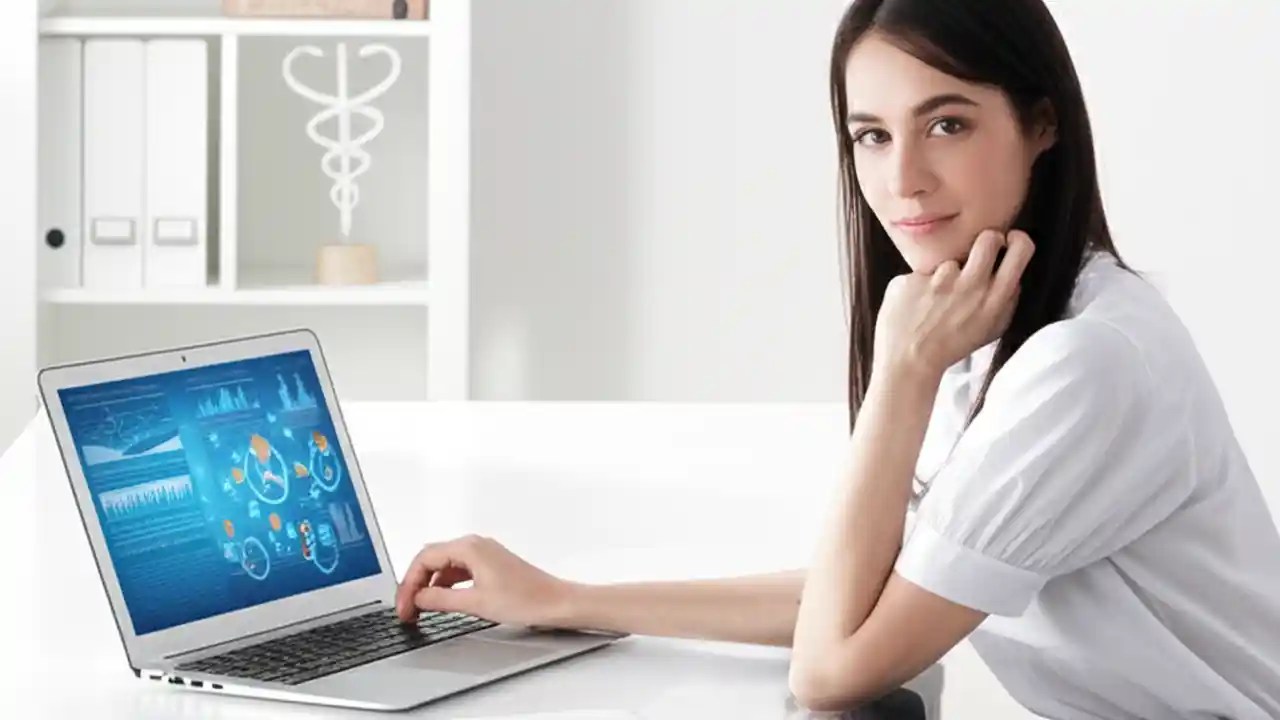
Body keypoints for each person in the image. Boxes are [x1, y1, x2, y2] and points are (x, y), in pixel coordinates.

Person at [395, 0, 1280, 716]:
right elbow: (863, 601)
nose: (904, 181)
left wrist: (902, 371)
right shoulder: (989, 322)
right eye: (873, 136)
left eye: (947, 124)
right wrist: (567, 600)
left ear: (1040, 123)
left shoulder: (1086, 364)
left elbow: (835, 667)